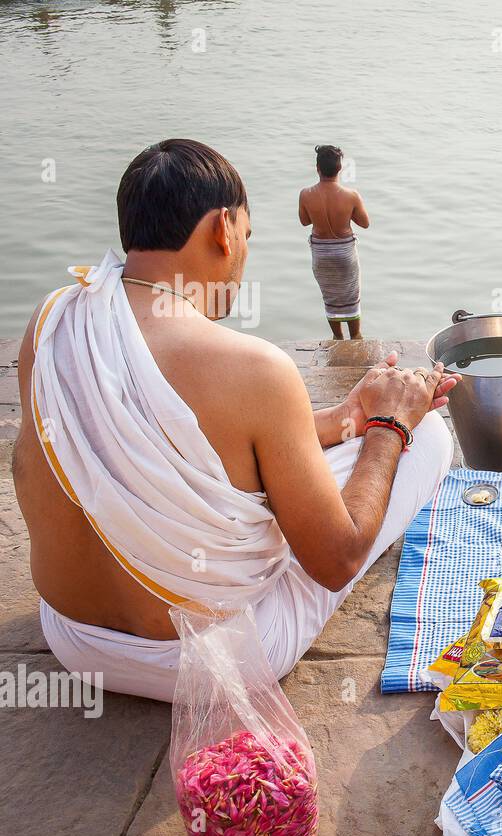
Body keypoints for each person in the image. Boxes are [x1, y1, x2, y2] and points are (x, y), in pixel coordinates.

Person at [14, 139, 457, 702]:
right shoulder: (255, 368)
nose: (244, 253)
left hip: (77, 645)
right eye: (246, 236)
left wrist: (347, 418)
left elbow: (171, 441)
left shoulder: (53, 321)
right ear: (223, 228)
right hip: (216, 661)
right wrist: (391, 424)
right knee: (429, 437)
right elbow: (337, 559)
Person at [299, 144, 370, 340]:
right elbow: (365, 223)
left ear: (318, 168)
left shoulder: (305, 194)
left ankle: (337, 337)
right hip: (345, 251)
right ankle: (355, 336)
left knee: (330, 297)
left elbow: (304, 221)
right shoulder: (351, 195)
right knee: (351, 297)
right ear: (340, 168)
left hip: (321, 253)